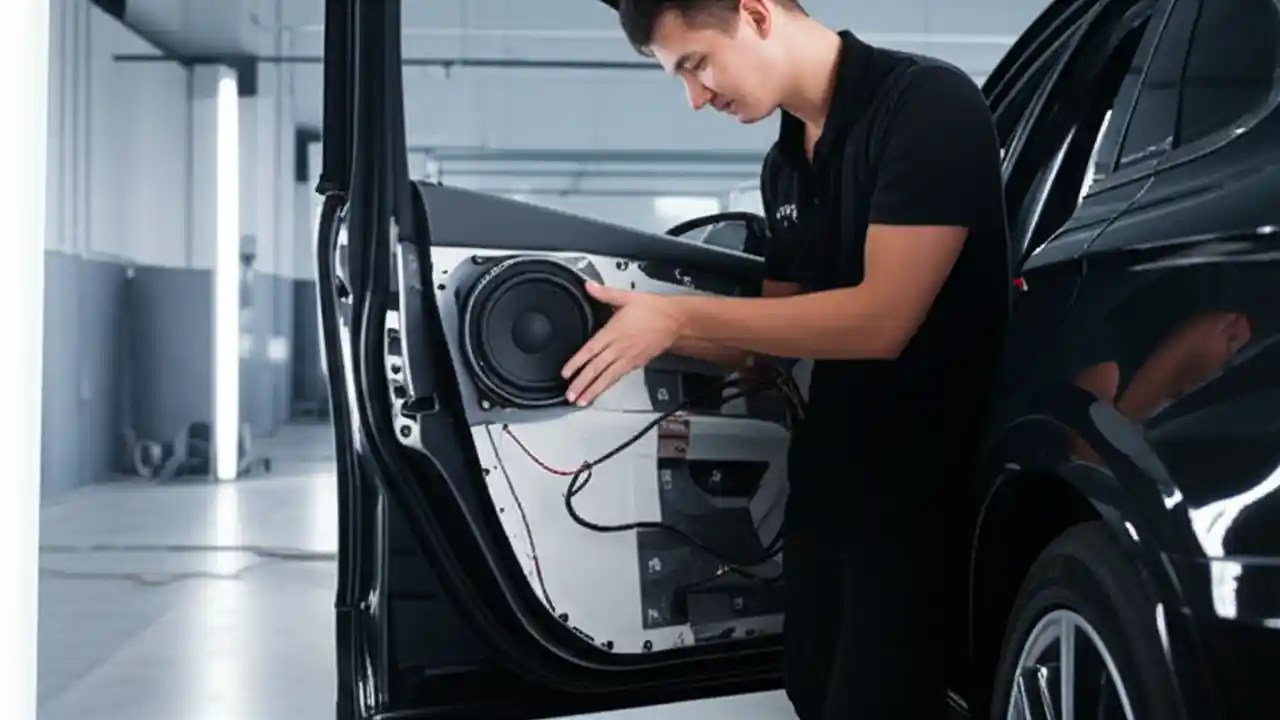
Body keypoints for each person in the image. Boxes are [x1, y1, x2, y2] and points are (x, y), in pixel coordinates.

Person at [562, 0, 1010, 716]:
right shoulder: (786, 164)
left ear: (755, 14)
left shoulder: (927, 104)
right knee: (810, 689)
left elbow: (884, 319)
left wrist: (679, 314)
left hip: (929, 483)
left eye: (696, 65)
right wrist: (630, 326)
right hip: (832, 478)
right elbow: (764, 335)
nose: (694, 99)